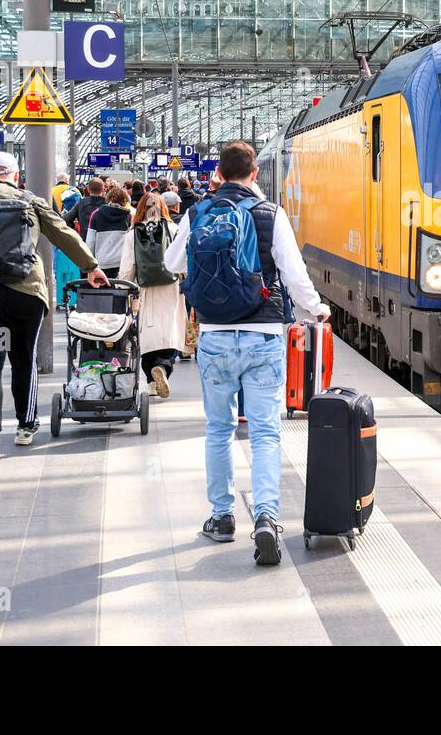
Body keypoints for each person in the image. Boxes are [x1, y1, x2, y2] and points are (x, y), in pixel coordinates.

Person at [164, 142, 328, 565]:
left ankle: (222, 518)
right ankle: (267, 517)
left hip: (215, 335)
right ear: (255, 173)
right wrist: (316, 309)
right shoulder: (271, 213)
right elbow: (294, 275)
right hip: (263, 333)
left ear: (218, 173)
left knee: (219, 429)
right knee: (265, 432)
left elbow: (170, 263)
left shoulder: (199, 211)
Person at [0, 152, 107, 459]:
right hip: (26, 293)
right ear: (16, 176)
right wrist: (91, 266)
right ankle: (25, 426)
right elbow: (63, 233)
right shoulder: (30, 201)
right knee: (24, 358)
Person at [119, 192, 187, 399]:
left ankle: (150, 381)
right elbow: (184, 262)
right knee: (170, 332)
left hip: (145, 289)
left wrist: (123, 288)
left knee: (147, 335)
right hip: (171, 288)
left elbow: (127, 268)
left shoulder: (133, 234)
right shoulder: (173, 229)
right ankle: (163, 367)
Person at [87, 185, 133, 279]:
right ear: (125, 200)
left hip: (101, 263)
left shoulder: (96, 214)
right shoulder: (128, 216)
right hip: (121, 262)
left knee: (103, 288)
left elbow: (90, 242)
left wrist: (91, 266)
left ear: (109, 198)